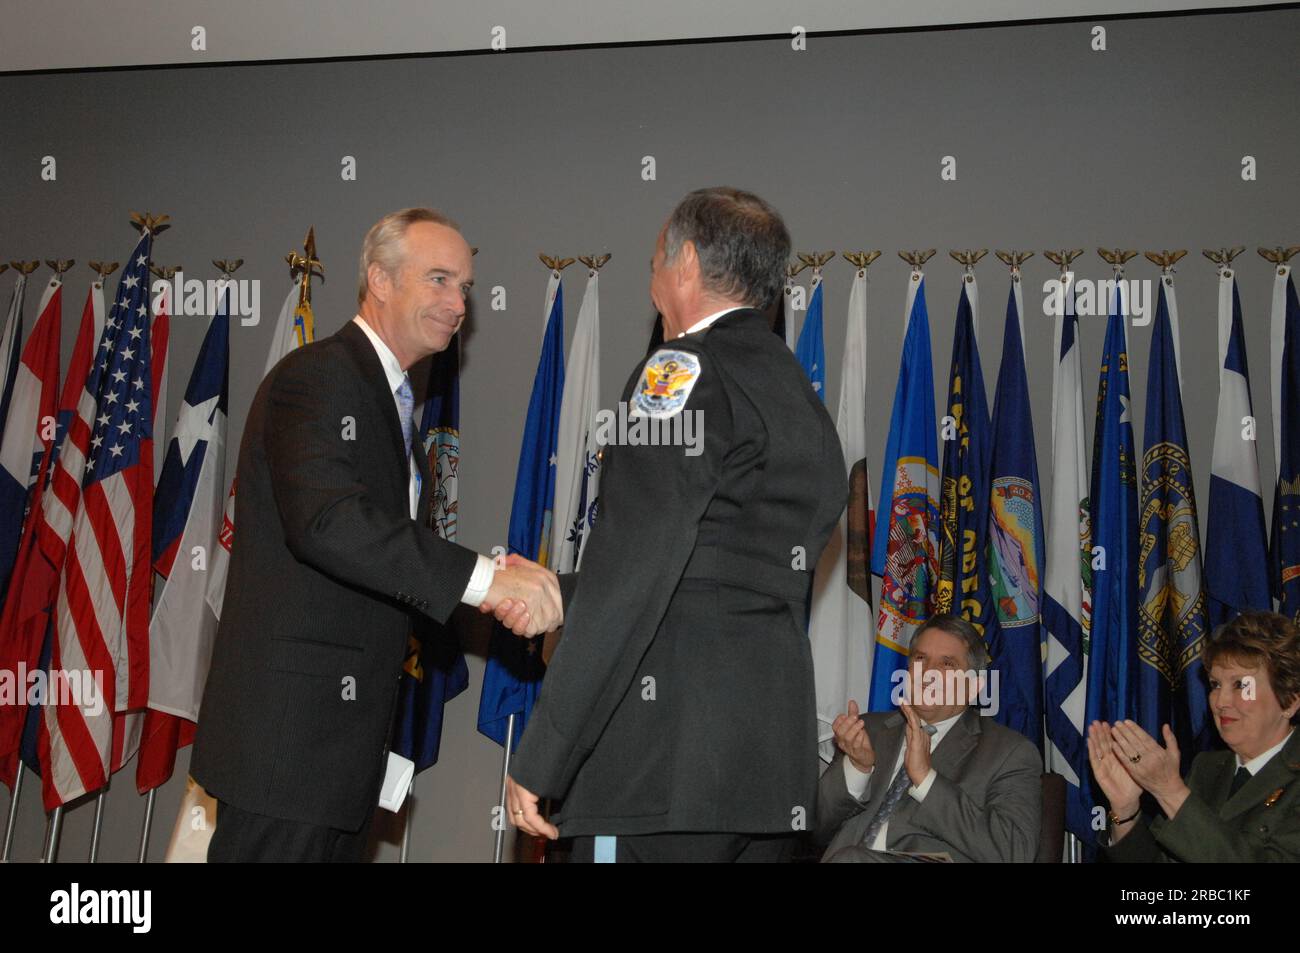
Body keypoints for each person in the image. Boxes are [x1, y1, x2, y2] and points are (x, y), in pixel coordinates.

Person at [191, 207, 562, 862]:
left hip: (335, 755)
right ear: (379, 280)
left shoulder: (388, 400)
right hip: (290, 751)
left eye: (467, 287)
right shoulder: (323, 375)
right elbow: (330, 522)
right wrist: (488, 581)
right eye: (440, 280)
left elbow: (379, 557)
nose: (458, 304)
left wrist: (492, 580)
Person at [495, 187, 848, 862]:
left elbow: (637, 574)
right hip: (770, 773)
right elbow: (712, 561)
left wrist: (546, 751)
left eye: (656, 257)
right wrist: (567, 591)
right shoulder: (800, 397)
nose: (650, 276)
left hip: (660, 769)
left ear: (685, 263)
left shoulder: (679, 371)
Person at [815, 614, 1042, 862]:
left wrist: (926, 779)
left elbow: (1015, 851)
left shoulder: (1008, 752)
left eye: (947, 664)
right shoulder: (869, 730)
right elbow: (814, 830)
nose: (929, 672)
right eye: (921, 659)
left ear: (974, 686)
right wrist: (858, 768)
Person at [1092, 609, 1300, 862]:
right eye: (1215, 685)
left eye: (1241, 685)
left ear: (1289, 700)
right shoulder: (1207, 769)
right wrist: (1125, 810)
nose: (1220, 701)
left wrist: (1170, 791)